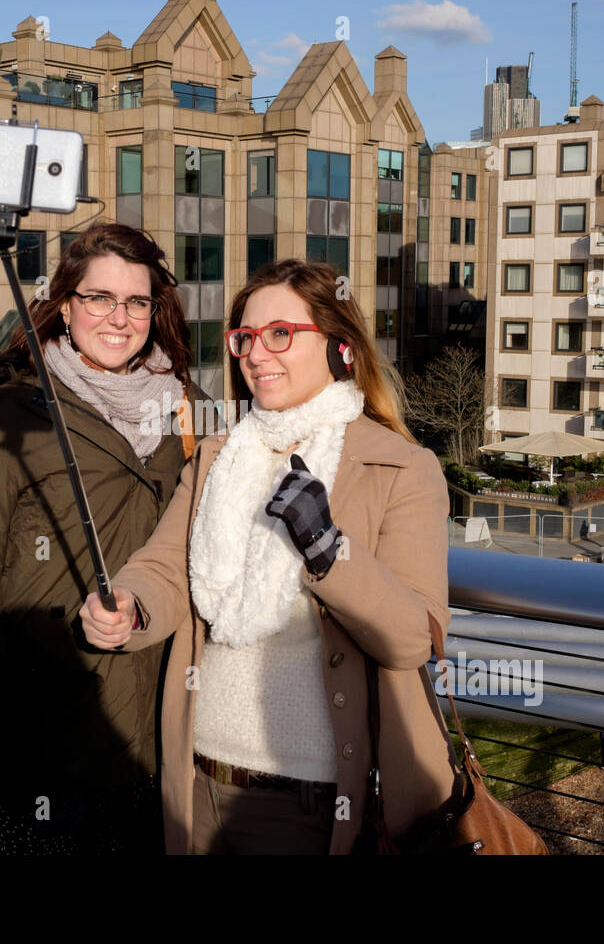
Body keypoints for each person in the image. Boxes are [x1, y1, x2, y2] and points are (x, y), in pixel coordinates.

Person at [80, 259, 459, 854]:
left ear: (340, 347)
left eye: (281, 333)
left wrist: (328, 549)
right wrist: (128, 606)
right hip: (199, 781)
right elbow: (163, 569)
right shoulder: (216, 455)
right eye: (245, 338)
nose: (256, 354)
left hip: (315, 802)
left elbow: (414, 639)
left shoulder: (401, 468)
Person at [0, 222, 211, 855]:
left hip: (156, 739)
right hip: (40, 747)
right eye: (98, 298)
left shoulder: (188, 412)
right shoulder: (4, 422)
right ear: (64, 305)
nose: (120, 317)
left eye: (137, 301)